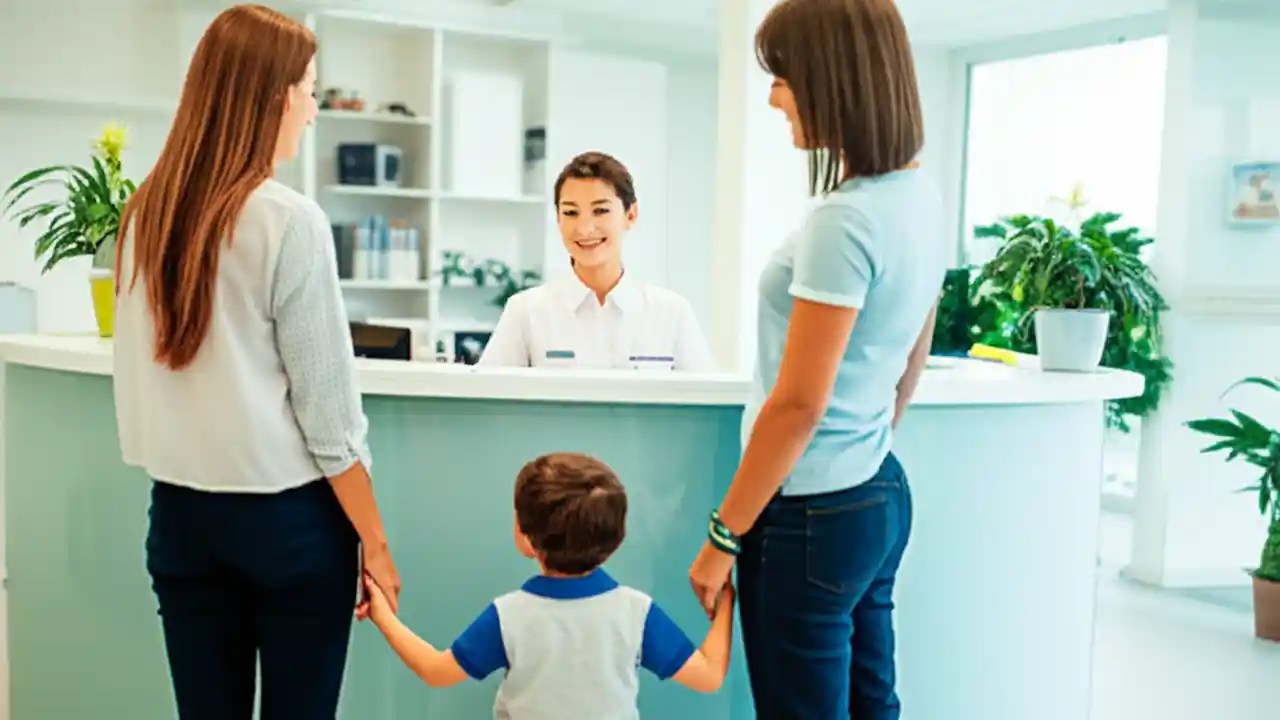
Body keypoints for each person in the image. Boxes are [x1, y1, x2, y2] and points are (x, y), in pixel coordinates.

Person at [111, 5, 400, 718]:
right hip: (289, 528)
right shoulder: (286, 220)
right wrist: (377, 545)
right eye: (308, 88)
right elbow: (330, 421)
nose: (311, 107)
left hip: (180, 521)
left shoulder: (144, 214)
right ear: (274, 96)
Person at [685, 0, 944, 718]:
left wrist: (721, 538)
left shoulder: (846, 219)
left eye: (785, 78)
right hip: (877, 490)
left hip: (809, 515)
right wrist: (874, 434)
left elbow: (799, 405)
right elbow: (916, 340)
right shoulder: (917, 193)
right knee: (871, 706)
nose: (773, 97)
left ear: (836, 78)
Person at [362, 452, 735, 718]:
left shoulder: (508, 616)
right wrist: (727, 599)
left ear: (525, 538)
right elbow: (708, 675)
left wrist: (382, 615)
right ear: (616, 541)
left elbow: (435, 671)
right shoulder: (636, 613)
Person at [478, 152, 716, 371]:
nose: (585, 228)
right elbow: (489, 403)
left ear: (630, 215)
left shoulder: (671, 312)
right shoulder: (526, 312)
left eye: (601, 211)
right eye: (571, 213)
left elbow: (706, 404)